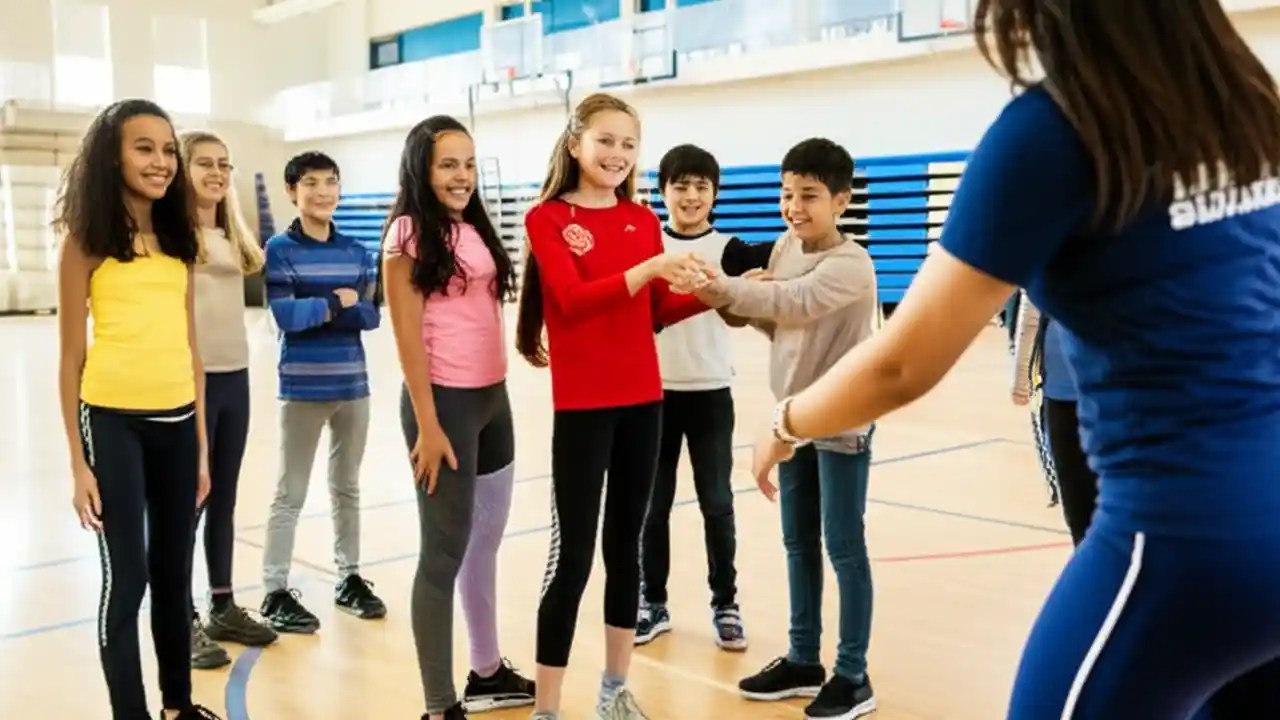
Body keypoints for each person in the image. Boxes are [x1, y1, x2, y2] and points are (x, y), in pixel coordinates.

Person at [747, 1, 1280, 717]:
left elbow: (902, 364)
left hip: (1187, 534)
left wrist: (785, 422)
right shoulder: (1248, 98)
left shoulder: (1056, 130)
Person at [515, 92, 714, 720]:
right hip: (583, 408)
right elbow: (570, 303)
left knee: (624, 548)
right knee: (573, 558)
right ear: (576, 143)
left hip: (643, 403)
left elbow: (652, 312)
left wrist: (723, 293)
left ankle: (613, 691)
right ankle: (548, 709)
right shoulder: (546, 218)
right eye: (606, 141)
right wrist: (651, 265)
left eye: (629, 144)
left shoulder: (641, 220)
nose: (618, 155)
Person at [687, 138, 878, 720]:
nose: (795, 207)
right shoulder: (787, 245)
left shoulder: (851, 264)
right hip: (790, 420)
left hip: (841, 418)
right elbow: (784, 325)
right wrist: (741, 305)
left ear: (841, 201)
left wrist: (720, 286)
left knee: (843, 546)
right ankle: (803, 659)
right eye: (788, 194)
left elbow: (793, 302)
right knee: (798, 544)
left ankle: (853, 676)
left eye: (810, 196)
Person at [56, 98, 221, 720]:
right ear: (113, 156)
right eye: (144, 148)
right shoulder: (85, 243)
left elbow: (192, 350)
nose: (161, 162)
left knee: (176, 579)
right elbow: (70, 358)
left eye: (167, 149)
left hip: (179, 425)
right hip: (114, 423)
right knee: (129, 583)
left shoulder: (179, 241)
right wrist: (79, 465)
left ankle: (178, 707)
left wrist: (201, 447)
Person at [382, 115, 536, 720]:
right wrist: (427, 422)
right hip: (443, 405)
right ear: (422, 167)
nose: (462, 176)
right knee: (442, 553)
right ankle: (439, 705)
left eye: (469, 164)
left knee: (485, 542)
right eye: (449, 164)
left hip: (492, 400)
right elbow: (405, 334)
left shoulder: (470, 227)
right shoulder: (407, 234)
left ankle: (487, 670)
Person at [637, 143, 760, 651]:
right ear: (663, 190)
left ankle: (725, 602)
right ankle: (653, 601)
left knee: (717, 502)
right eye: (681, 185)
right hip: (653, 394)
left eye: (701, 187)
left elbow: (756, 298)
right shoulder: (647, 245)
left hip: (711, 392)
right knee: (653, 505)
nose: (691, 196)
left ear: (714, 194)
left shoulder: (732, 248)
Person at [259, 151, 386, 632]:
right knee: (289, 492)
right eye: (311, 183)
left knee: (347, 487)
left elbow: (371, 316)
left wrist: (324, 308)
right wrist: (338, 300)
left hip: (353, 385)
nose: (323, 191)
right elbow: (286, 318)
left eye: (331, 181)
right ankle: (273, 590)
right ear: (293, 191)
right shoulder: (279, 249)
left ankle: (349, 577)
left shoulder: (357, 251)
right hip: (301, 388)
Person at [178, 129, 279, 670]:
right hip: (190, 380)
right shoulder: (173, 233)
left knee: (225, 498)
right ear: (183, 170)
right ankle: (180, 615)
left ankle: (222, 604)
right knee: (188, 501)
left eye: (223, 165)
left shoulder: (232, 233)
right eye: (203, 164)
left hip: (234, 377)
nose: (216, 173)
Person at [1011, 293, 1097, 544]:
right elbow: (1031, 311)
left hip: (1104, 387)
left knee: (1093, 510)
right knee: (1082, 509)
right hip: (1063, 388)